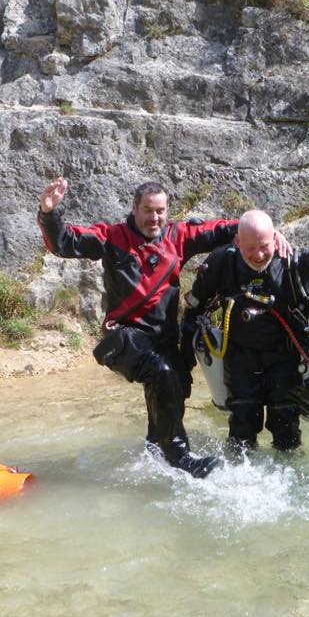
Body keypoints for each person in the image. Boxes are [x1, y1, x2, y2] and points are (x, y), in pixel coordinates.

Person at [36, 178, 291, 478]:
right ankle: (179, 454)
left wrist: (268, 232)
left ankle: (155, 445)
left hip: (163, 338)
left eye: (160, 211)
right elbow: (65, 242)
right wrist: (49, 214)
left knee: (177, 383)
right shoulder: (112, 237)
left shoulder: (178, 236)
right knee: (163, 373)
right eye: (147, 210)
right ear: (134, 209)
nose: (153, 218)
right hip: (124, 336)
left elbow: (224, 229)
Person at [181, 210, 309, 453]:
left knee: (286, 431)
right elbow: (192, 310)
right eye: (251, 247)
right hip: (240, 357)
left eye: (264, 246)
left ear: (275, 239)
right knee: (241, 430)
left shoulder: (293, 265)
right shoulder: (222, 263)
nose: (259, 255)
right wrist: (184, 357)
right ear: (237, 242)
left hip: (286, 358)